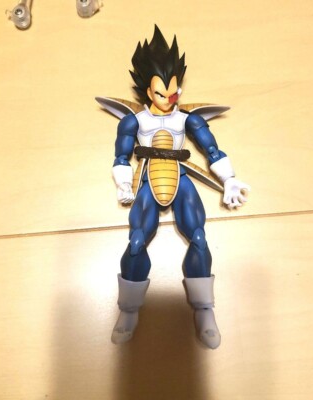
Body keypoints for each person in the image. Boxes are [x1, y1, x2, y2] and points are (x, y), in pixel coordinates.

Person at [96, 25, 250, 349]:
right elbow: (121, 157)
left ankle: (205, 310)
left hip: (180, 179)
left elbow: (211, 149)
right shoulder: (134, 121)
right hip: (148, 179)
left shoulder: (187, 119)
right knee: (136, 241)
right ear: (147, 91)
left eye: (173, 93)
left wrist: (229, 179)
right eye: (161, 94)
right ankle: (128, 310)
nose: (168, 100)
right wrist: (123, 183)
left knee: (199, 237)